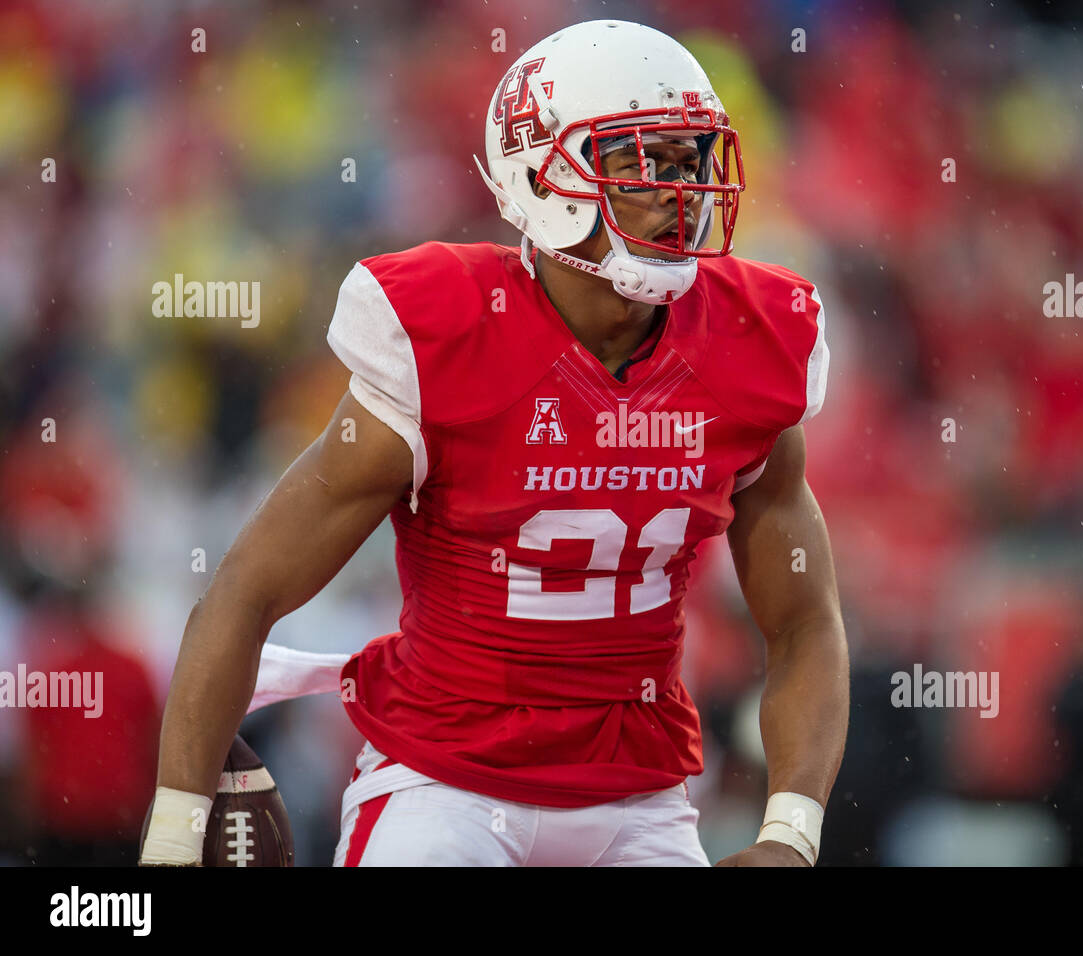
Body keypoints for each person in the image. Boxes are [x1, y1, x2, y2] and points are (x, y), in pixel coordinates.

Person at [141, 18, 847, 867]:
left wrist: (790, 836)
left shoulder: (747, 343)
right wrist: (172, 843)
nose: (681, 190)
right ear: (546, 175)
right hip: (446, 788)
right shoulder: (451, 332)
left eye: (690, 159)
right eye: (640, 160)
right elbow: (244, 592)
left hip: (643, 800)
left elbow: (805, 623)